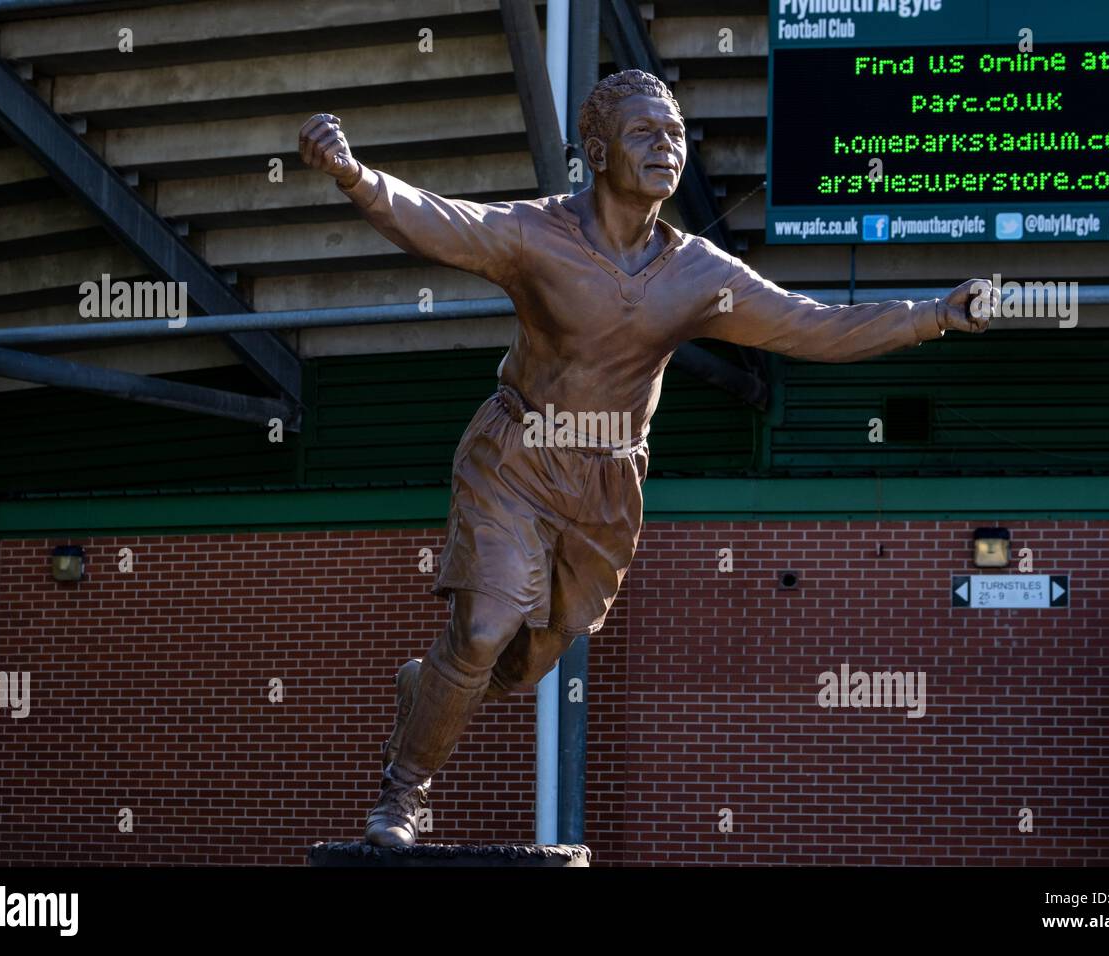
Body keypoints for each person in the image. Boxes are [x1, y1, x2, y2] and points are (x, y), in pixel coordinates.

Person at [298, 69, 995, 847]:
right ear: (595, 151)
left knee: (521, 665)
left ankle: (429, 687)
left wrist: (932, 314)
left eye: (675, 135)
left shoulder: (701, 273)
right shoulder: (538, 235)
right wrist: (355, 177)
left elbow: (812, 326)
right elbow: (441, 222)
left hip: (608, 484)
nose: (666, 147)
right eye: (643, 133)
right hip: (518, 456)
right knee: (488, 623)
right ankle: (402, 797)